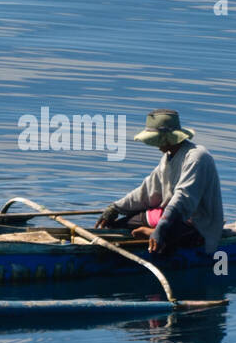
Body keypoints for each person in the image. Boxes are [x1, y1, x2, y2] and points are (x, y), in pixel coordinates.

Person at [95, 109, 224, 254]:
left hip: (196, 223)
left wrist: (160, 229)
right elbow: (148, 191)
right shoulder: (168, 157)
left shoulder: (197, 157)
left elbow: (183, 198)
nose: (156, 145)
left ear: (166, 137)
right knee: (116, 227)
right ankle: (151, 231)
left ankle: (152, 233)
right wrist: (116, 208)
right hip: (168, 215)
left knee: (176, 236)